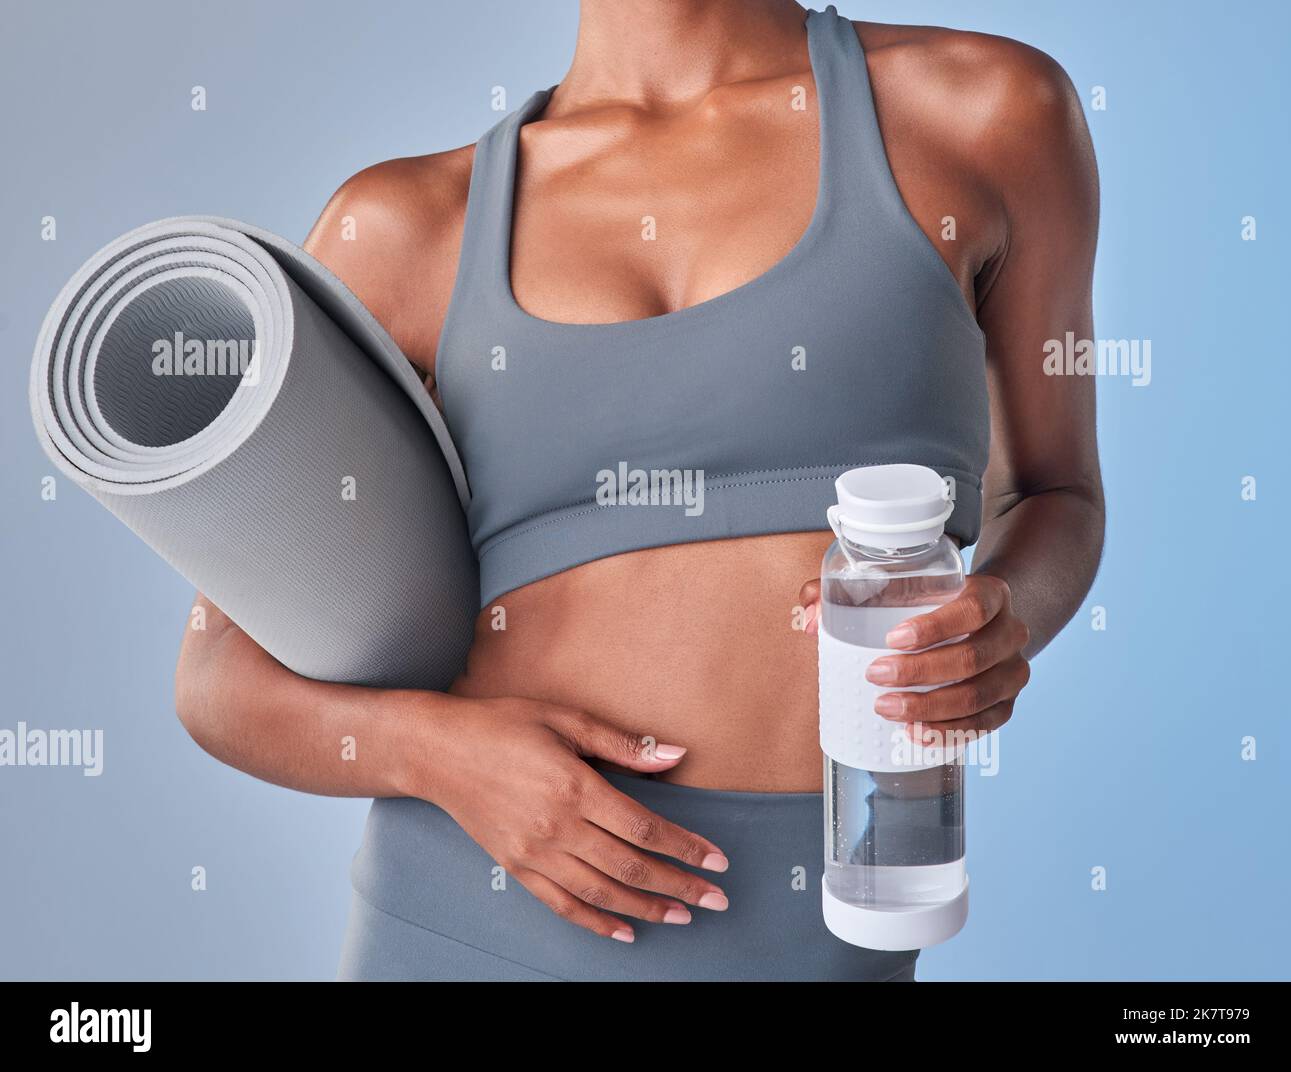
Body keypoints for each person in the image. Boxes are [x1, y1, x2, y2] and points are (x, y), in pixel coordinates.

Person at [175, 1, 1102, 981]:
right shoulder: (404, 226)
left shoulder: (981, 111)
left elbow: (1056, 494)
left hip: (843, 908)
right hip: (471, 912)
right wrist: (438, 756)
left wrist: (999, 619)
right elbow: (217, 674)